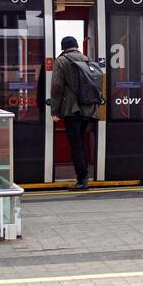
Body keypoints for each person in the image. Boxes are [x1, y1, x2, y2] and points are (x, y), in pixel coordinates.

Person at [48, 35, 99, 190]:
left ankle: (82, 180)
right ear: (76, 46)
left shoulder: (62, 61)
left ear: (63, 47)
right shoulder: (87, 59)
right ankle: (83, 176)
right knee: (80, 142)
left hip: (72, 109)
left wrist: (54, 111)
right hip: (88, 108)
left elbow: (57, 87)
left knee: (76, 145)